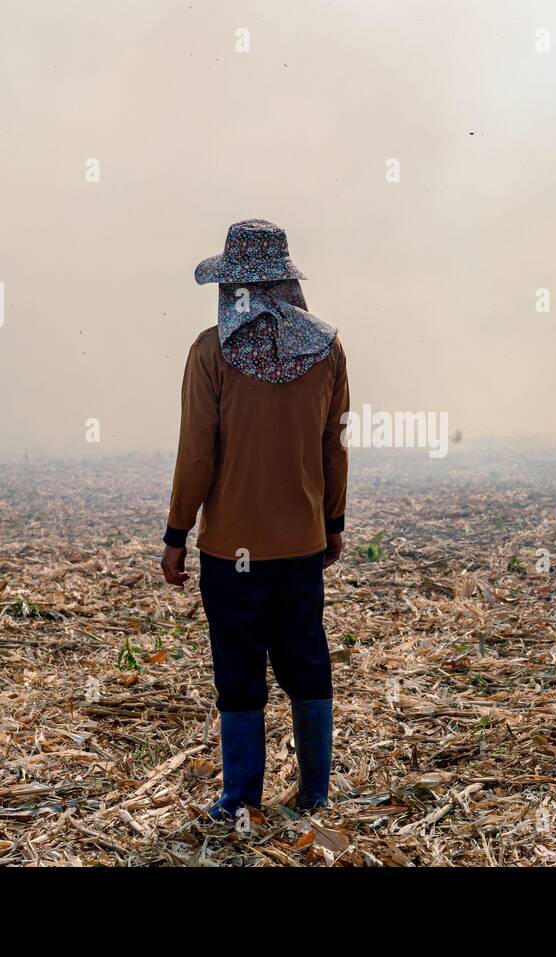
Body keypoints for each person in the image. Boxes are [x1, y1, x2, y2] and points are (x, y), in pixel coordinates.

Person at [160, 219, 349, 819]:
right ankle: (315, 793)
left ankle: (241, 797)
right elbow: (334, 445)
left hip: (230, 551)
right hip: (301, 543)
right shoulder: (326, 348)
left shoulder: (210, 352)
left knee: (239, 670)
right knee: (306, 659)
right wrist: (334, 522)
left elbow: (197, 453)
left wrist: (176, 533)